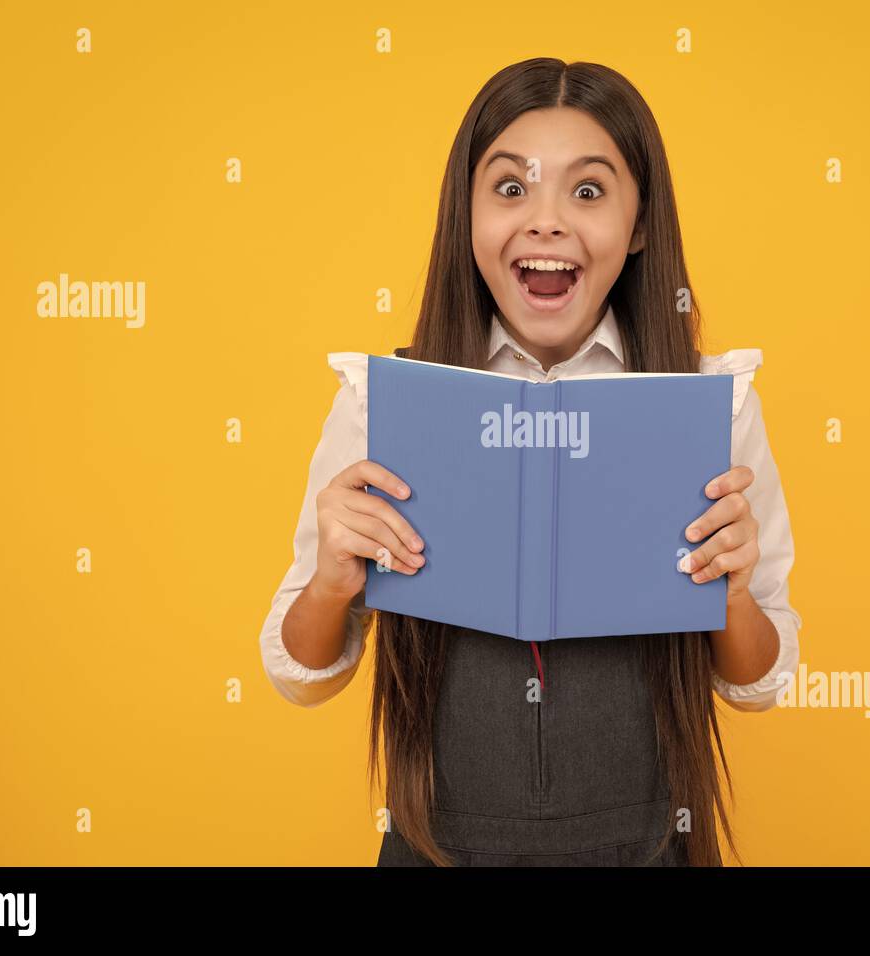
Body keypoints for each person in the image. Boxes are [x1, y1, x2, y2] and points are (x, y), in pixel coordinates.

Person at [259, 58, 801, 866]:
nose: (546, 221)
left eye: (588, 191)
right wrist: (335, 581)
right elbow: (300, 671)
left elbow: (759, 681)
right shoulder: (383, 400)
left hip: (650, 847)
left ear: (640, 223)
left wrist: (731, 595)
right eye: (511, 188)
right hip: (441, 846)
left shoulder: (712, 402)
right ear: (466, 217)